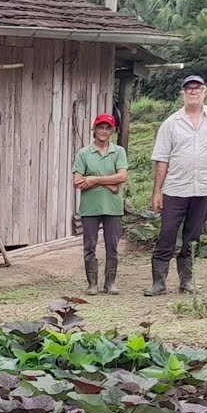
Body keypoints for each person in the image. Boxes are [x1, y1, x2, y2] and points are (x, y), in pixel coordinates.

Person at [145, 75, 207, 296]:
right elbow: (161, 159)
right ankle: (158, 282)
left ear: (204, 92)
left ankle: (187, 281)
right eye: (188, 89)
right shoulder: (171, 123)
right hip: (176, 189)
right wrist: (157, 192)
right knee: (167, 234)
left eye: (197, 88)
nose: (193, 92)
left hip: (205, 187)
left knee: (193, 235)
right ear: (182, 94)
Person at [72, 113, 128, 295]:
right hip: (90, 207)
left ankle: (110, 283)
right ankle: (92, 283)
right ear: (94, 130)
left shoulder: (118, 151)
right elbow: (77, 181)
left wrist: (94, 179)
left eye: (108, 128)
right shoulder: (84, 153)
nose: (103, 131)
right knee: (90, 245)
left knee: (112, 245)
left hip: (112, 207)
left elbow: (122, 176)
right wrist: (109, 183)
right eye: (100, 127)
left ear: (112, 130)